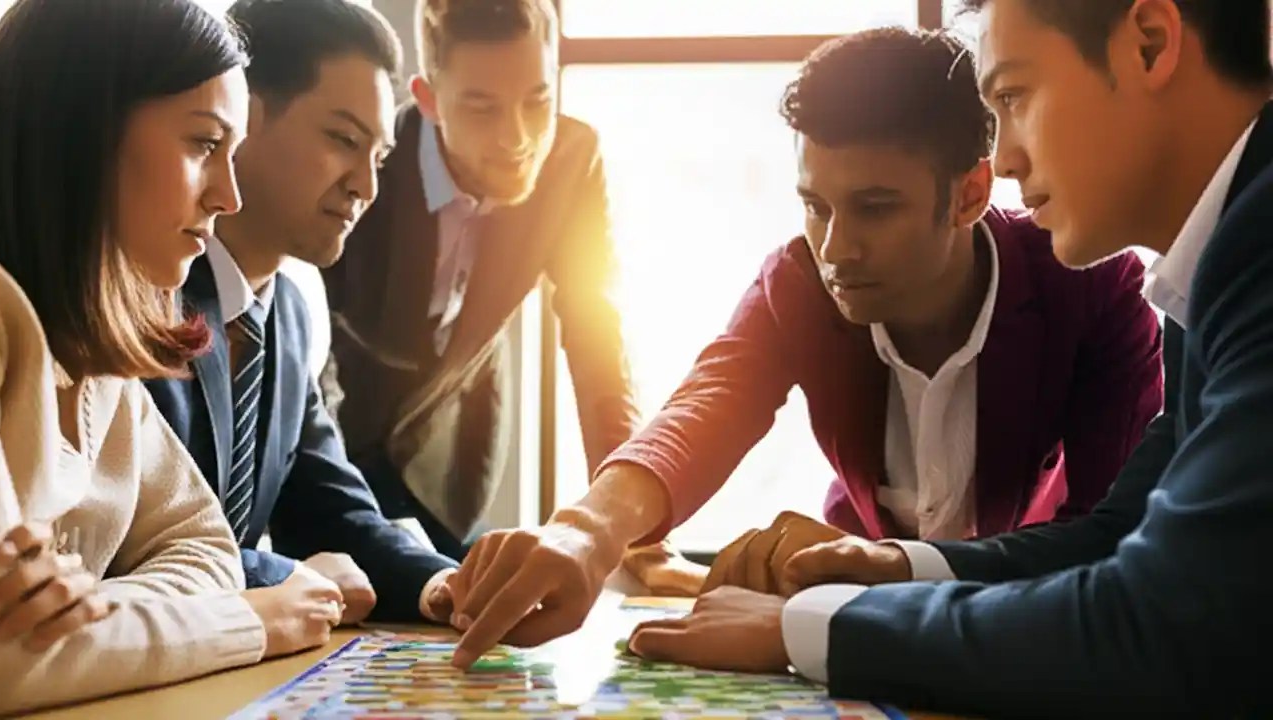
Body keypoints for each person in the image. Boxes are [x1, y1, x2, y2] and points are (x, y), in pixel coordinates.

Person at [436, 25, 1166, 664]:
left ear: (971, 194)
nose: (835, 248)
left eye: (874, 208)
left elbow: (1114, 547)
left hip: (1013, 628)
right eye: (815, 206)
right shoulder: (800, 280)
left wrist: (869, 587)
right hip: (840, 604)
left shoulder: (1092, 286)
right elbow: (709, 403)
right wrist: (586, 533)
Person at [623, 0, 1273, 717]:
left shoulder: (1254, 255)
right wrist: (894, 566)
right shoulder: (1217, 264)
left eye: (1016, 95)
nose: (1009, 160)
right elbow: (1122, 535)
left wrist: (810, 630)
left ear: (1149, 44)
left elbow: (1159, 621)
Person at [0, 0, 345, 714]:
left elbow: (207, 548)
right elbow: (4, 666)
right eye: (203, 145)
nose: (229, 196)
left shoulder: (100, 356)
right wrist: (255, 621)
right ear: (81, 133)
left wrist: (90, 616)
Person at [145, 0, 458, 627]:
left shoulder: (288, 310)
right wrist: (289, 576)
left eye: (380, 156)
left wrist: (446, 584)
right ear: (242, 117)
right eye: (343, 139)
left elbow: (330, 506)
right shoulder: (141, 285)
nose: (365, 187)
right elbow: (128, 547)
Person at [320, 0, 639, 562]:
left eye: (537, 101)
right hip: (336, 430)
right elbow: (307, 341)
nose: (517, 139)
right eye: (482, 109)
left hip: (451, 444)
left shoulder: (572, 160)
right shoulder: (370, 169)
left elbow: (597, 334)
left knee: (466, 584)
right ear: (428, 99)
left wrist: (628, 519)